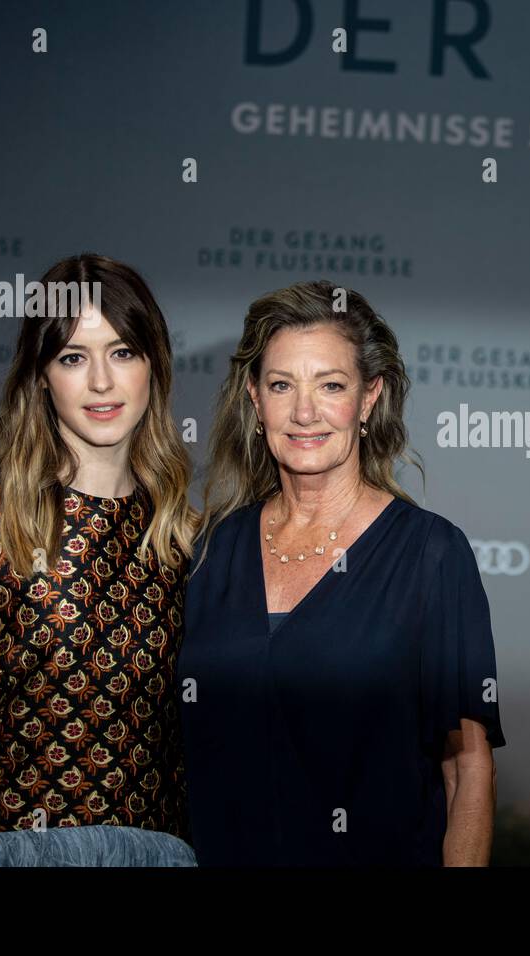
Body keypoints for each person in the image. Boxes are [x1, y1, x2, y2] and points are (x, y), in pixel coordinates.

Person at [180, 279, 505, 865]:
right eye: (282, 385)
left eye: (330, 385)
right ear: (255, 399)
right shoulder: (208, 553)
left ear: (369, 397)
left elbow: (467, 766)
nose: (305, 412)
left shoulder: (430, 554)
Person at [0, 254, 199, 866]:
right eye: (72, 357)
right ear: (39, 376)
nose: (100, 382)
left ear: (154, 366)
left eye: (122, 352)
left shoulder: (186, 539)